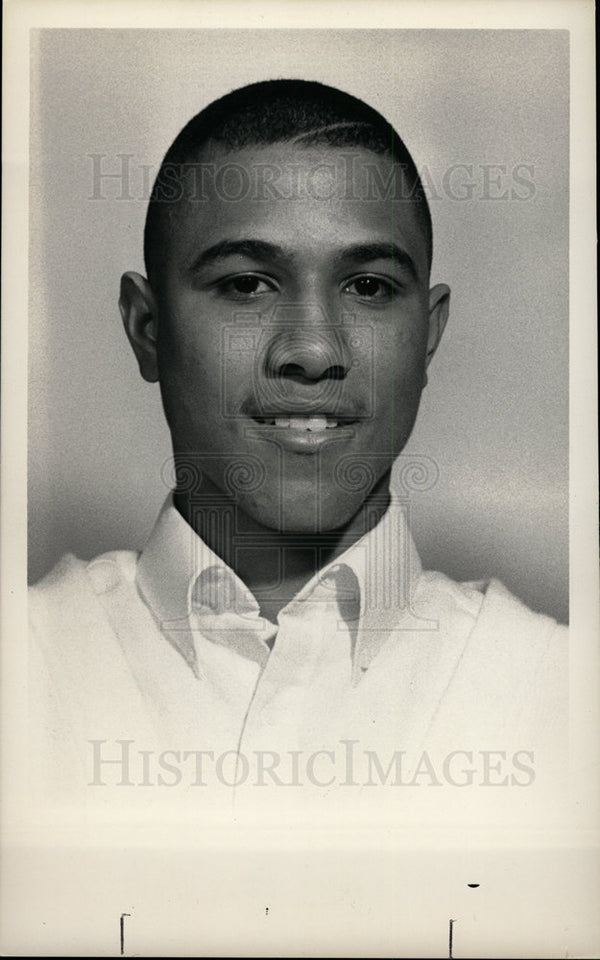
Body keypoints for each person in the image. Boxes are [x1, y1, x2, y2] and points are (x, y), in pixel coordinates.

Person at [29, 80, 567, 814]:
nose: (312, 351)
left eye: (370, 287)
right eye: (247, 284)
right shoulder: (23, 659)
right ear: (147, 328)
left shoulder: (560, 690)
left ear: (429, 333)